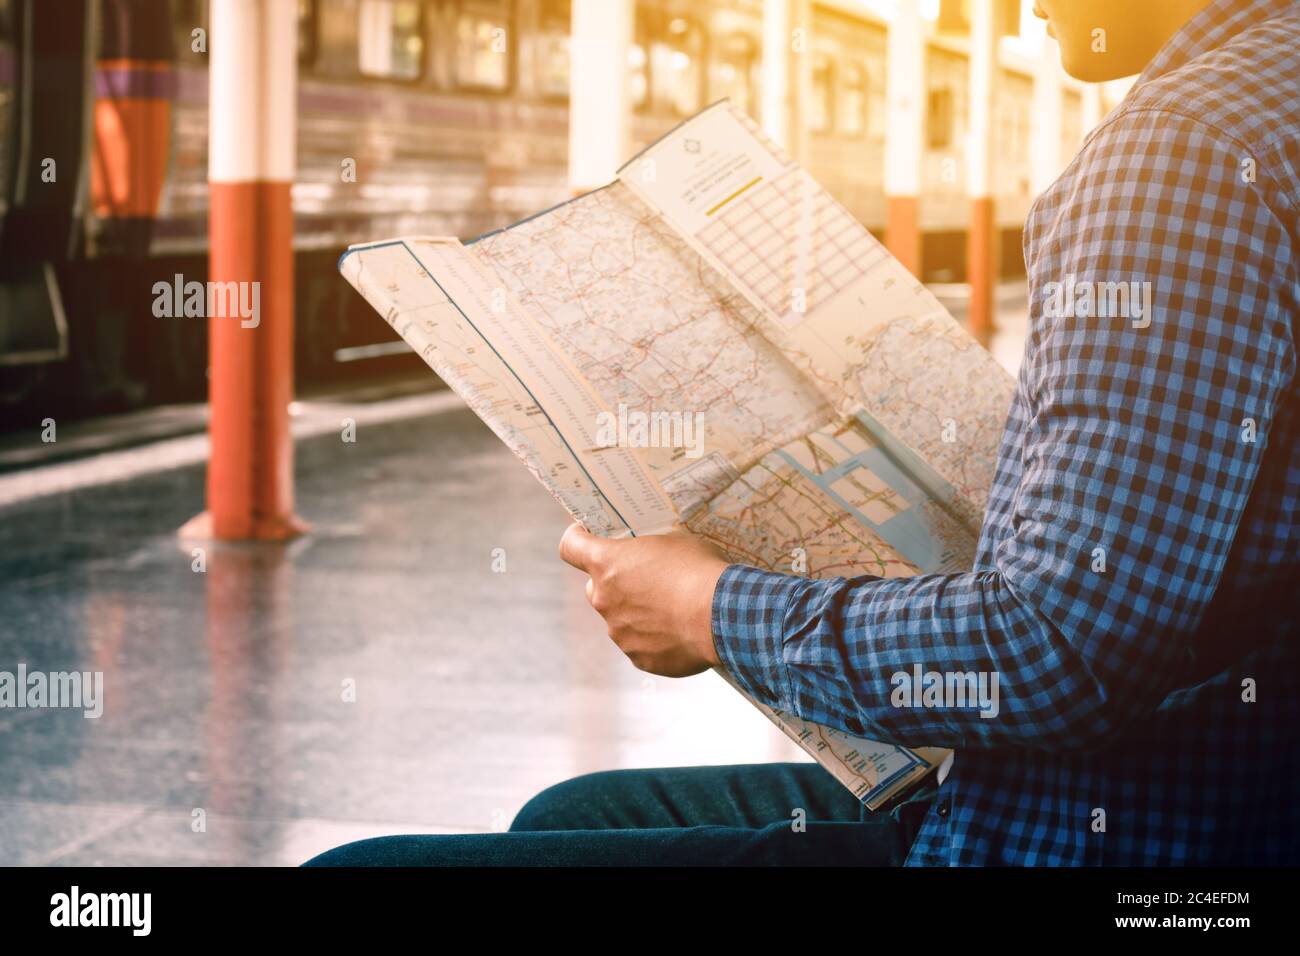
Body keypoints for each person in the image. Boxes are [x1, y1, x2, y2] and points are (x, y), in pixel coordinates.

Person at [306, 0, 1299, 867]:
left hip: (1096, 823)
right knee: (568, 811)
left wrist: (710, 607)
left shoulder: (1185, 154)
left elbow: (1055, 655)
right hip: (1226, 784)